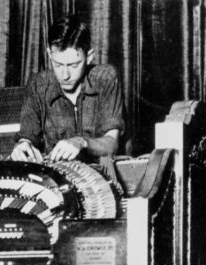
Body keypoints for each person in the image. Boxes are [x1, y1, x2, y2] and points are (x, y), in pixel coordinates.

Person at [11, 17, 124, 163]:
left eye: (73, 65)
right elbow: (27, 136)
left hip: (102, 175)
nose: (65, 75)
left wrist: (81, 142)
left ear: (89, 57)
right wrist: (23, 145)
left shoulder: (106, 79)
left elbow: (112, 143)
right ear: (49, 54)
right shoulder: (38, 85)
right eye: (58, 65)